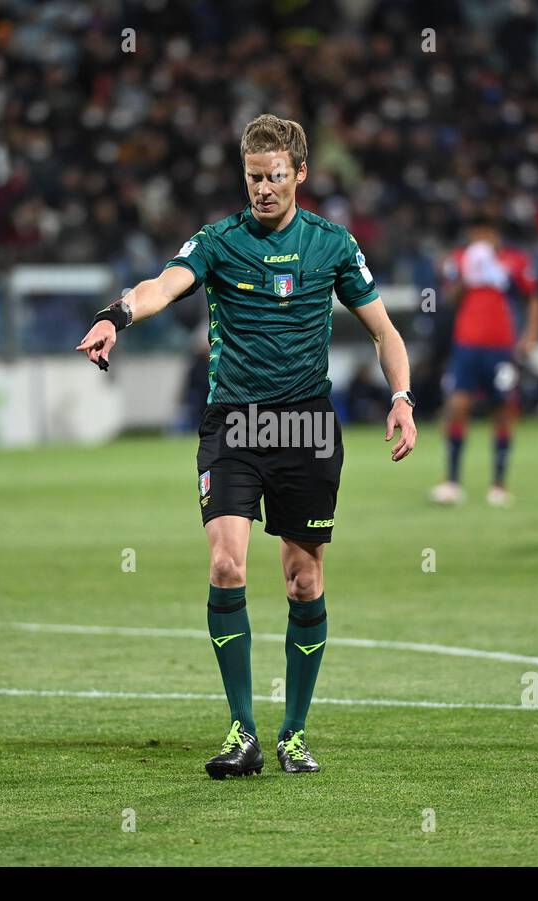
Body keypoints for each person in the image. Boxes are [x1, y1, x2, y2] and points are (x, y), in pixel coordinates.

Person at [76, 114, 417, 778]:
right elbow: (162, 285)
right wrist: (117, 315)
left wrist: (401, 398)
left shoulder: (333, 246)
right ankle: (242, 731)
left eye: (275, 177)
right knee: (227, 566)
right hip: (233, 424)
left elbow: (385, 332)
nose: (263, 189)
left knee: (303, 580)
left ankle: (293, 733)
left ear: (301, 175)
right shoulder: (219, 242)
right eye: (254, 178)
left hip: (307, 429)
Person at [429, 222, 538, 506]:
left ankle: (499, 484)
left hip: (500, 347)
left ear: (495, 235)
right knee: (457, 407)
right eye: (475, 233)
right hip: (466, 345)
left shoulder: (514, 262)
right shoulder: (460, 260)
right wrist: (466, 278)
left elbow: (535, 297)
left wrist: (530, 334)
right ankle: (452, 482)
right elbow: (447, 298)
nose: (480, 238)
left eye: (486, 232)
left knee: (503, 409)